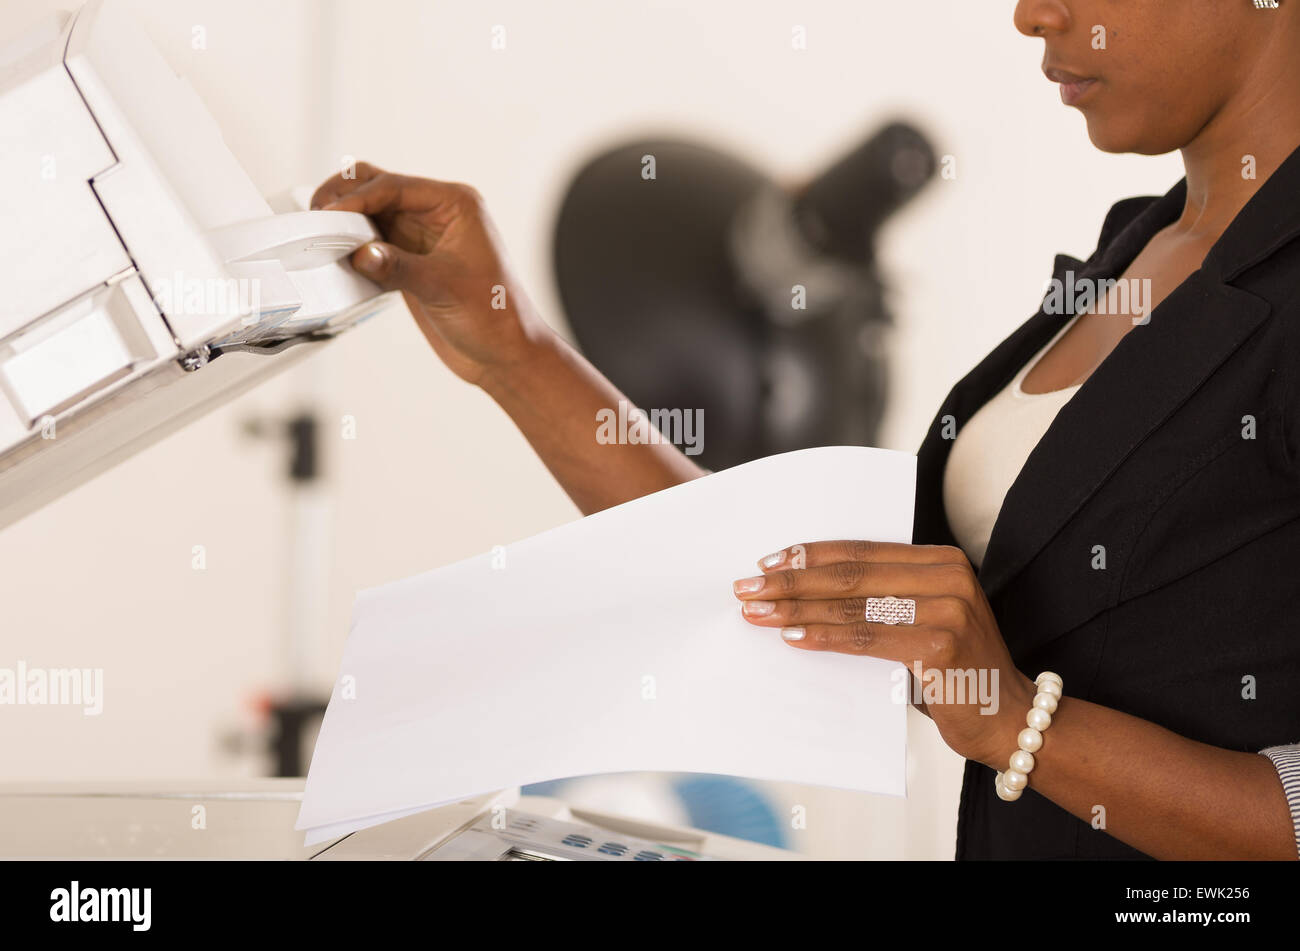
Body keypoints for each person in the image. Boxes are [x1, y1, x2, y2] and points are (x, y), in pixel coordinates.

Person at [311, 0, 1300, 859]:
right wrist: (511, 351)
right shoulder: (1142, 247)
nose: (1030, 15)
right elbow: (805, 593)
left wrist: (1013, 726)